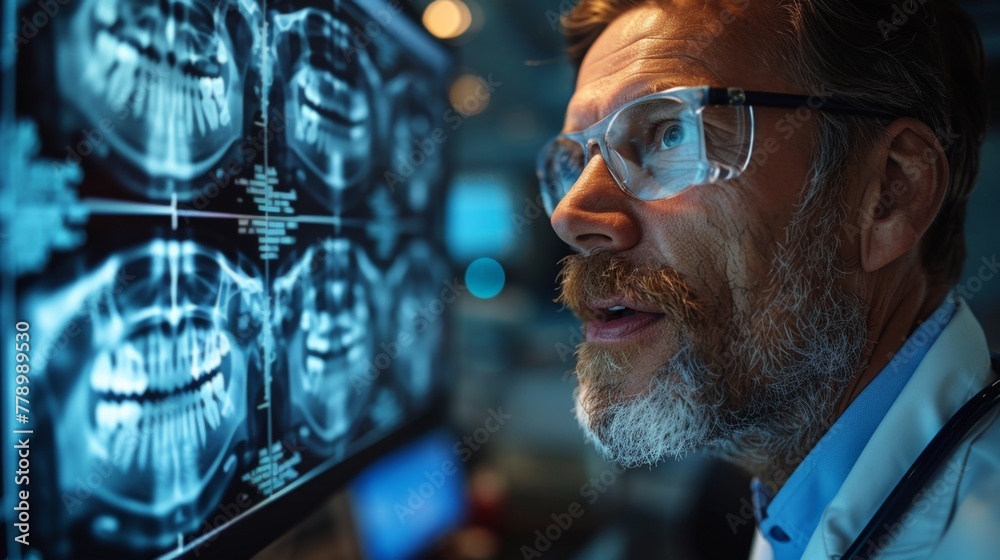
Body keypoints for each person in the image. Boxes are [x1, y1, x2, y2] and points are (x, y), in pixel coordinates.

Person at [538, 0, 997, 558]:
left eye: (670, 133)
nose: (571, 213)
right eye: (573, 162)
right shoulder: (788, 504)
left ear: (889, 194)